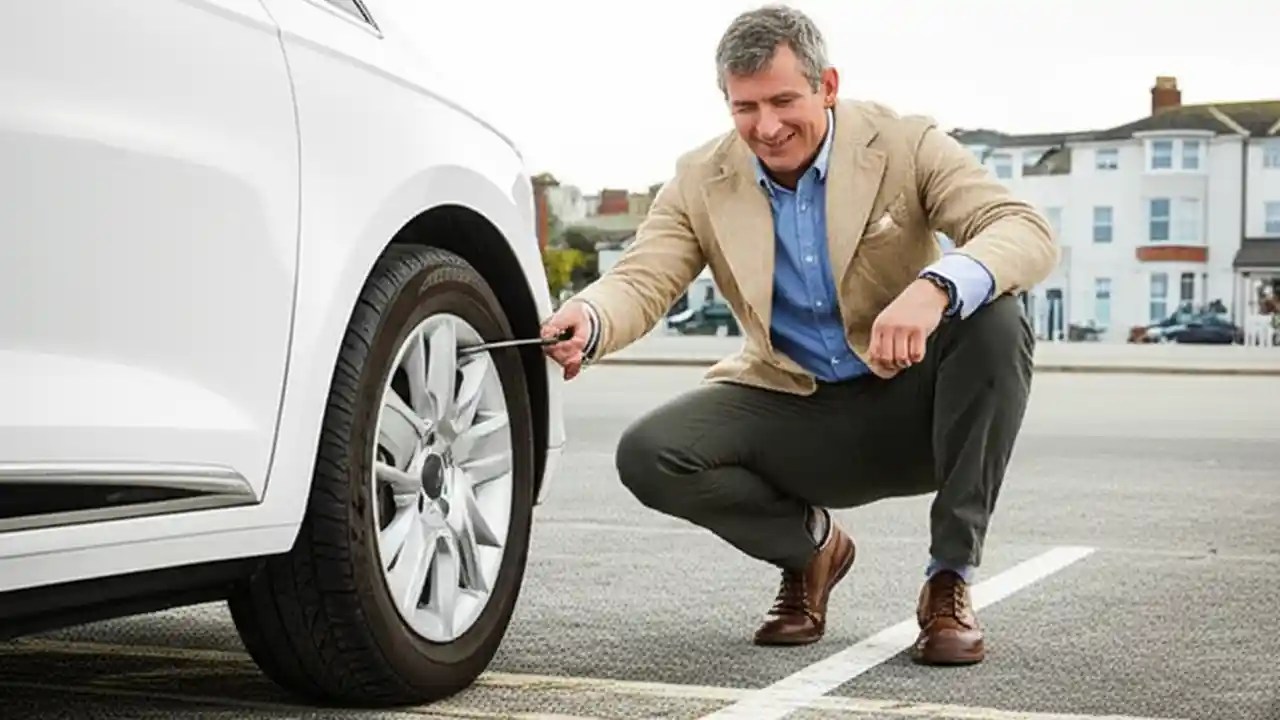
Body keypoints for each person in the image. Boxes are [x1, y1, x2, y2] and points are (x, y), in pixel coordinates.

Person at [540, 4, 1057, 665]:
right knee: (650, 452)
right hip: (794, 407)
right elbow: (644, 276)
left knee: (996, 315)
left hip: (914, 410)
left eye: (784, 100)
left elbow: (1022, 227)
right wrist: (591, 316)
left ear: (828, 86)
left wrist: (936, 288)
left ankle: (949, 579)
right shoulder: (702, 177)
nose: (767, 126)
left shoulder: (906, 143)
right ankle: (812, 552)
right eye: (745, 107)